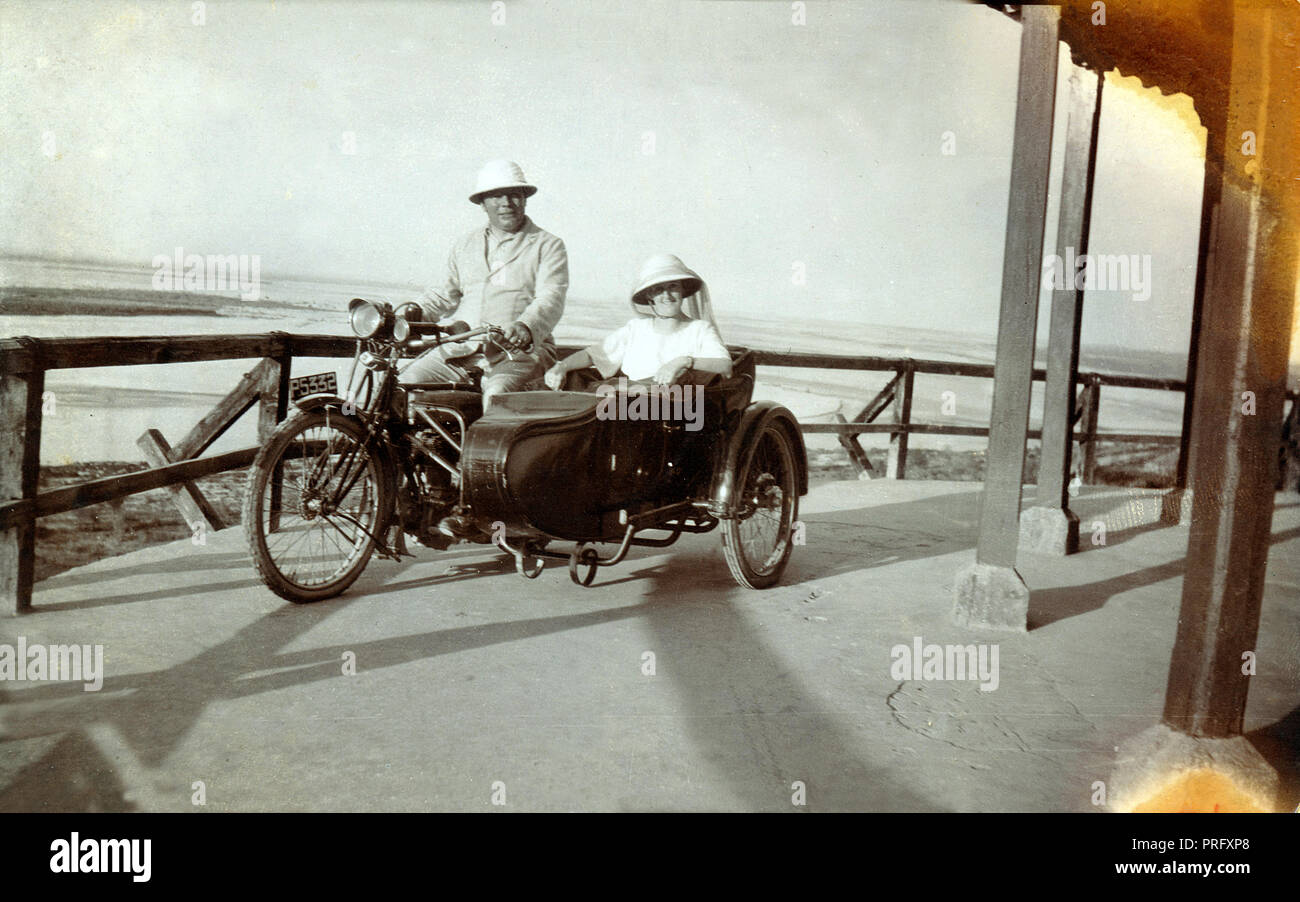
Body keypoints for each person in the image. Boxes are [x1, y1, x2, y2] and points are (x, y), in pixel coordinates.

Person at [402, 160, 568, 406]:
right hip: (460, 352)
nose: (506, 204)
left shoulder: (548, 245)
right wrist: (408, 317)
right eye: (496, 196)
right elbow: (443, 295)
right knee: (404, 384)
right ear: (482, 203)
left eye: (514, 195)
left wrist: (525, 326)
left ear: (524, 198)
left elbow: (551, 297)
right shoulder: (465, 244)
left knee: (496, 399)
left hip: (519, 356)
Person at [544, 254, 731, 390]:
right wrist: (561, 366)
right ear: (649, 297)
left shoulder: (699, 329)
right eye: (658, 289)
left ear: (682, 290)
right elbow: (594, 355)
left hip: (670, 412)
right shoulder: (636, 329)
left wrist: (682, 361)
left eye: (672, 287)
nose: (666, 296)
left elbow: (725, 366)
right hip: (627, 404)